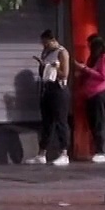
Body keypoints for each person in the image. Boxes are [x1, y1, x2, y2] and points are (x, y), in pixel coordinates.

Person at [30, 30, 72, 166]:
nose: (44, 45)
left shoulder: (62, 52)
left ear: (52, 40)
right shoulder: (46, 52)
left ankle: (64, 153)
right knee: (46, 122)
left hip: (59, 89)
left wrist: (52, 67)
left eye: (46, 42)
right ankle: (42, 153)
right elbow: (43, 72)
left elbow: (64, 74)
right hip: (47, 88)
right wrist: (43, 66)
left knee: (61, 121)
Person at [72, 34, 105, 163]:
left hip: (99, 93)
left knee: (99, 122)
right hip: (90, 94)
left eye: (91, 45)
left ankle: (102, 151)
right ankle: (102, 150)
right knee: (93, 123)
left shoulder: (104, 58)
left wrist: (84, 68)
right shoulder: (94, 58)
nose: (89, 48)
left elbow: (103, 76)